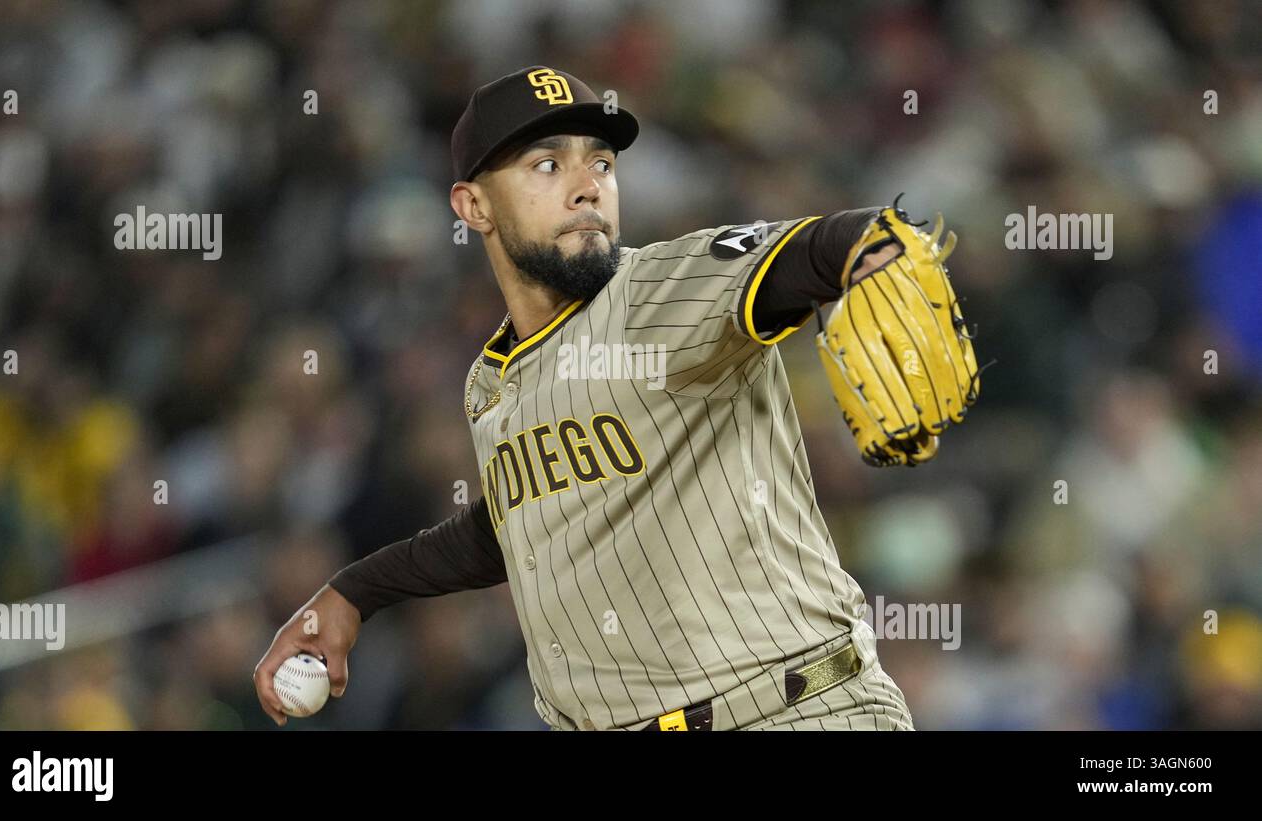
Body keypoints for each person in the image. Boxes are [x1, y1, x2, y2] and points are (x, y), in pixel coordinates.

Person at [254, 66, 914, 730]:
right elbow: (514, 528)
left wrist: (864, 246)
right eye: (546, 165)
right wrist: (353, 592)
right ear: (473, 206)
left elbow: (812, 247)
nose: (587, 185)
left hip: (789, 710)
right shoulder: (490, 381)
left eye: (600, 161)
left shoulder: (661, 286)